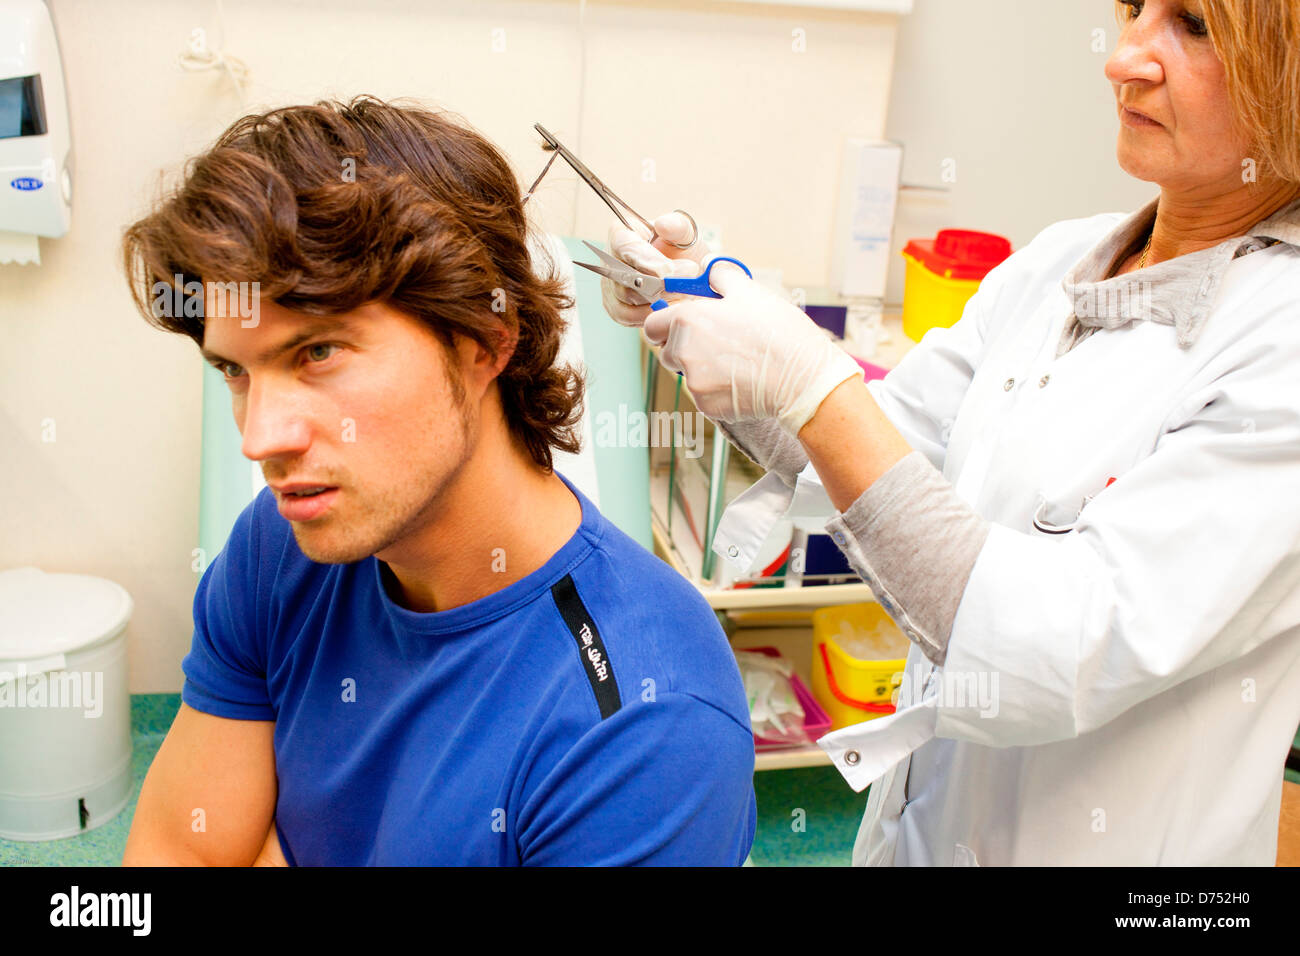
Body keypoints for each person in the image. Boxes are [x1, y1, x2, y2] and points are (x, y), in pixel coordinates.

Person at [602, 0, 1300, 865]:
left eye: (1192, 26)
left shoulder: (1283, 347)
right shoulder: (1060, 261)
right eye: (1133, 10)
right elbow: (874, 455)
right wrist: (708, 326)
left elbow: (1053, 646)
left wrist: (809, 383)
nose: (1123, 58)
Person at [119, 96, 756, 866]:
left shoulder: (645, 724)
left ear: (483, 343)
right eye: (234, 370)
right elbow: (179, 851)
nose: (261, 439)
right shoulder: (279, 545)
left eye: (317, 352)